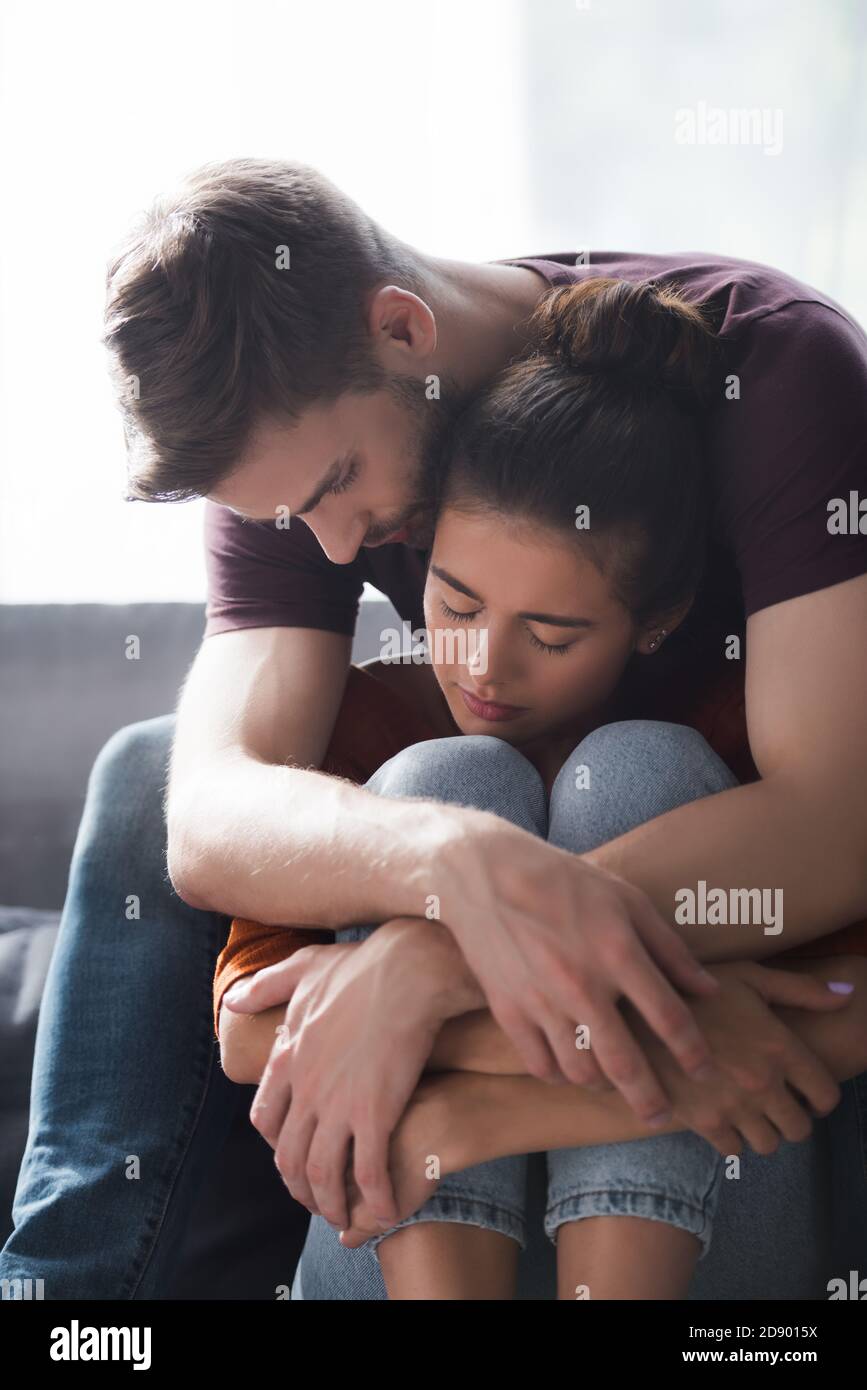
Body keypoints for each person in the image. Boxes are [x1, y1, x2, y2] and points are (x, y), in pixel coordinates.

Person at [2, 157, 866, 1299]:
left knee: (632, 771)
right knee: (161, 769)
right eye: (287, 513)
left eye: (336, 484)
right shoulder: (299, 463)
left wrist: (432, 962)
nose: (338, 550)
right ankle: (69, 1310)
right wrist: (449, 863)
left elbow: (840, 818)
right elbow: (209, 814)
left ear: (402, 330)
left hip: (708, 1150)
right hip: (498, 1117)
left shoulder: (777, 369)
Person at [216, 276, 867, 1299]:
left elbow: (846, 1001)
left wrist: (461, 1079)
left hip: (700, 1251)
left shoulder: (739, 743)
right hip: (395, 1241)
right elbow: (251, 1028)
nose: (484, 666)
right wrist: (661, 1034)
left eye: (554, 635)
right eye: (454, 601)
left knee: (641, 772)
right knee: (448, 780)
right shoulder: (373, 727)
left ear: (656, 622)